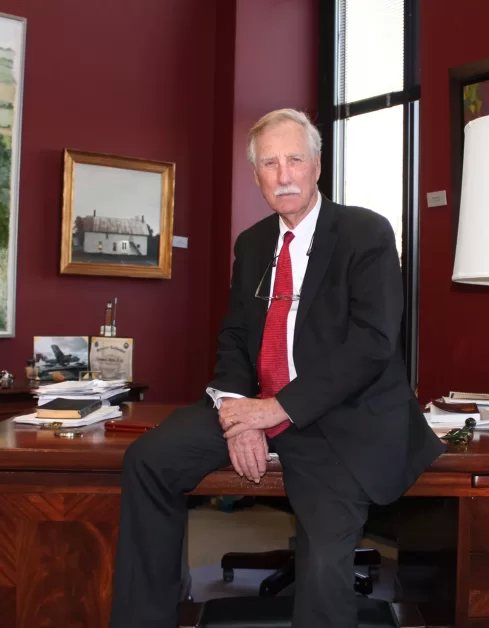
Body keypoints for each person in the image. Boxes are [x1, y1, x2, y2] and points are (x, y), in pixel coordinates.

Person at [110, 109, 444, 628]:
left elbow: (372, 345)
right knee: (149, 462)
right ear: (257, 175)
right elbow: (237, 338)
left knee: (325, 563)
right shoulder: (253, 242)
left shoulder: (365, 233)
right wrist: (236, 413)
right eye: (270, 163)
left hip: (335, 416)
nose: (283, 174)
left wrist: (275, 410)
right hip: (258, 401)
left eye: (294, 159)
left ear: (316, 165)